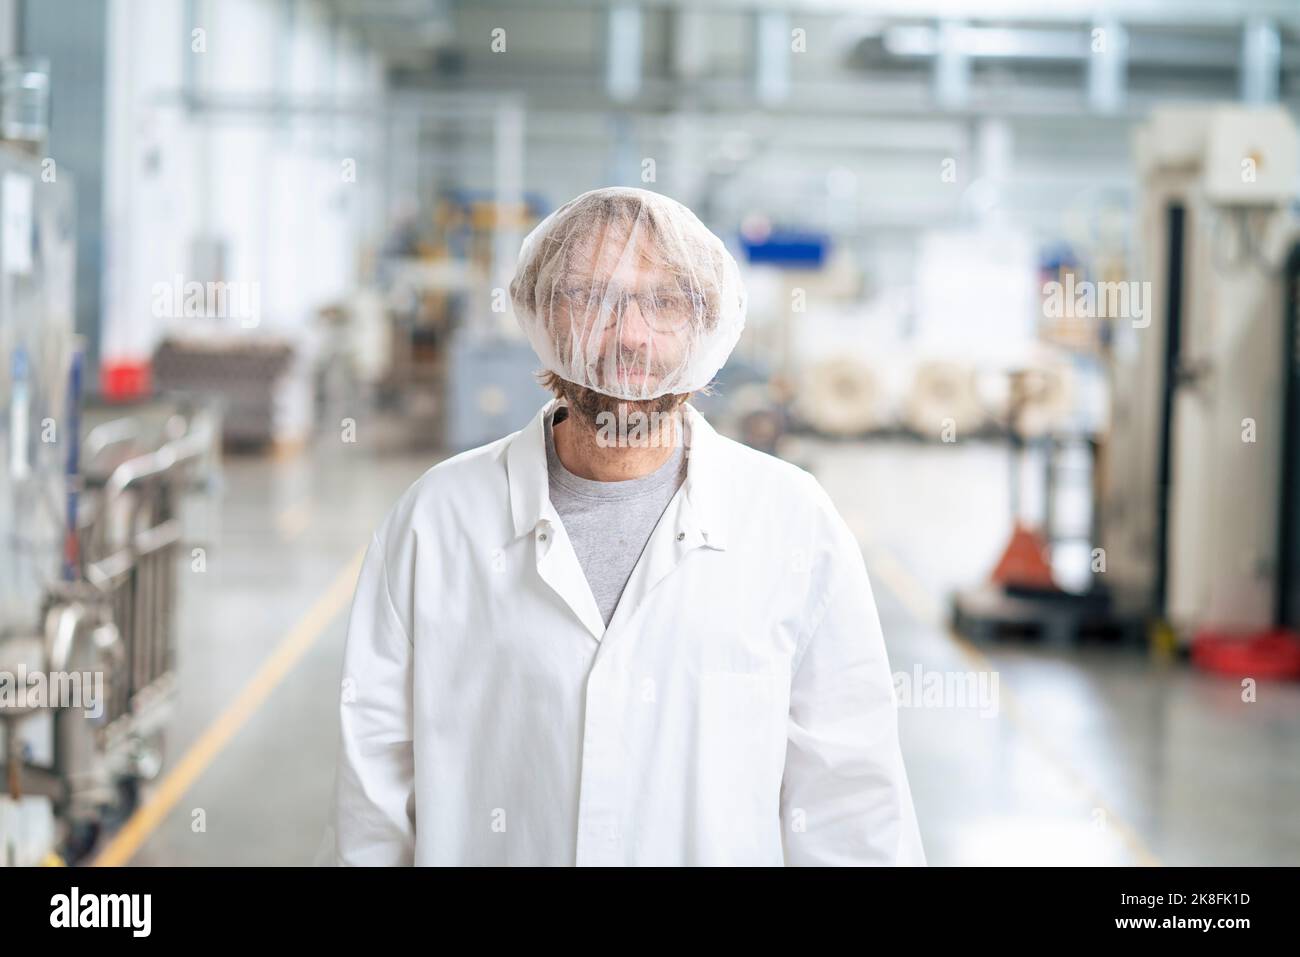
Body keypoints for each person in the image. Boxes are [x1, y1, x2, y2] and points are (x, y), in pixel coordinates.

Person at [333, 186, 925, 866]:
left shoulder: (793, 524)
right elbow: (371, 811)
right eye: (591, 298)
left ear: (709, 321)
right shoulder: (435, 522)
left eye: (666, 301)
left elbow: (852, 808)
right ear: (540, 311)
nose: (631, 337)